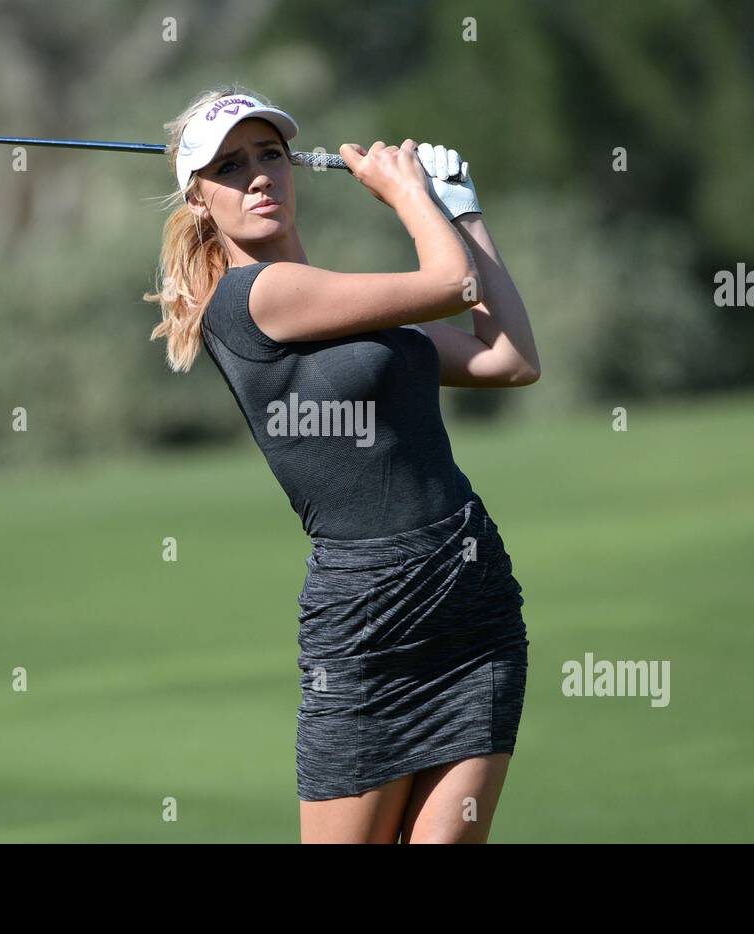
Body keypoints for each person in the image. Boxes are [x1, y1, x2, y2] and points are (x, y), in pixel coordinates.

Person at [142, 85, 541, 843]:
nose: (258, 176)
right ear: (199, 200)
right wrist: (406, 192)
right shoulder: (249, 299)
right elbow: (449, 285)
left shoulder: (344, 303)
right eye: (229, 166)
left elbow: (511, 359)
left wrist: (465, 213)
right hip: (368, 619)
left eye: (270, 155)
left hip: (471, 595)